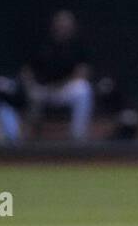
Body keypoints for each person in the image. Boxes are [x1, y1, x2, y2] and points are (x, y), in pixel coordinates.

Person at [22, 10, 94, 141]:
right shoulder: (43, 43)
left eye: (66, 25)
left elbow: (83, 72)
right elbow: (27, 70)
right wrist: (30, 84)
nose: (63, 27)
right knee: (32, 93)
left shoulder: (77, 46)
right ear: (53, 25)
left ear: (73, 27)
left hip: (64, 89)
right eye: (60, 24)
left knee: (83, 90)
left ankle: (78, 138)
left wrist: (60, 85)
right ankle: (27, 140)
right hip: (42, 89)